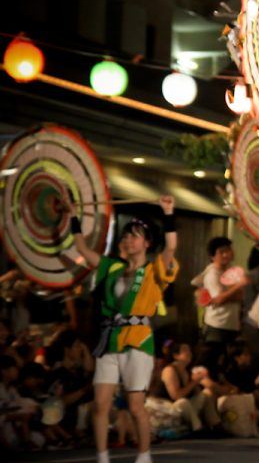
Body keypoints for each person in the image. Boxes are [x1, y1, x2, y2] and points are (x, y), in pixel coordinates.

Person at [65, 196, 179, 463]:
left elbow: (171, 246)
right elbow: (81, 244)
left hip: (138, 340)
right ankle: (102, 457)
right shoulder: (112, 267)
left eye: (136, 236)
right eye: (127, 235)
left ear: (147, 243)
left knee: (136, 405)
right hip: (110, 340)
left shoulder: (155, 271)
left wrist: (169, 213)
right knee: (100, 404)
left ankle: (144, 454)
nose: (129, 240)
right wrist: (73, 216)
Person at [194, 238, 248, 350]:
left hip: (231, 324)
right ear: (212, 257)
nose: (226, 254)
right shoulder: (212, 274)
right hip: (217, 326)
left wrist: (228, 295)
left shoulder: (230, 271)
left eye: (228, 250)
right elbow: (218, 300)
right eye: (221, 252)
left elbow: (240, 296)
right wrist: (238, 286)